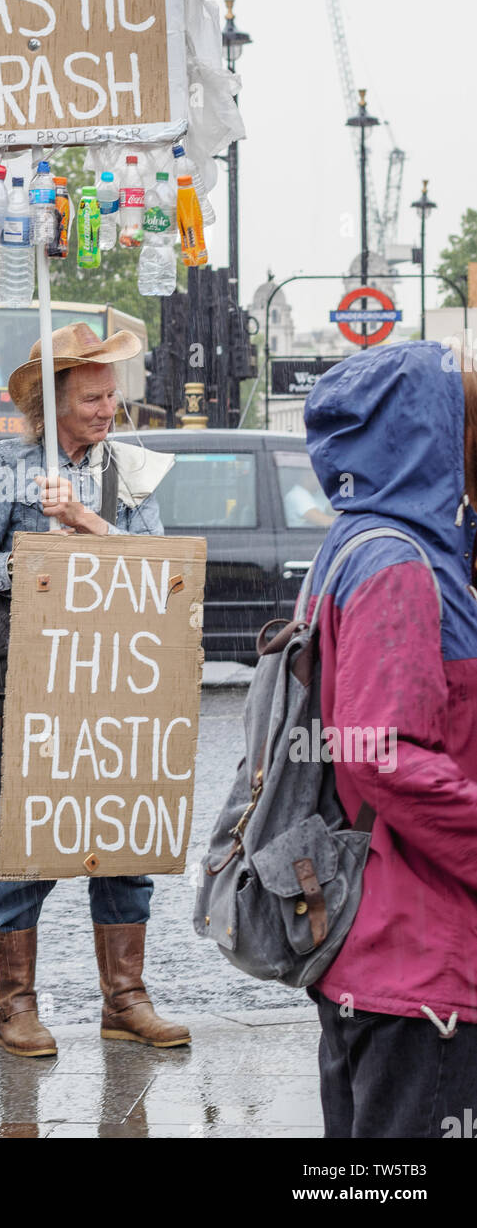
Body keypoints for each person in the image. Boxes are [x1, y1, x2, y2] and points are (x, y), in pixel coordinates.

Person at [0, 322, 189, 1057]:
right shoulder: (1, 466)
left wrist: (85, 522)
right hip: (31, 679)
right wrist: (29, 566)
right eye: (91, 398)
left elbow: (162, 568)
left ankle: (125, 1000)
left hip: (120, 678)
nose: (107, 409)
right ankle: (14, 1008)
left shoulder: (129, 471)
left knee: (122, 833)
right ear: (51, 407)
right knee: (33, 833)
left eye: (112, 395)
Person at [302, 341, 477, 1138]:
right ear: (439, 438)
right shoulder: (400, 565)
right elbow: (383, 755)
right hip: (422, 958)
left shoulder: (364, 539)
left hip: (381, 950)